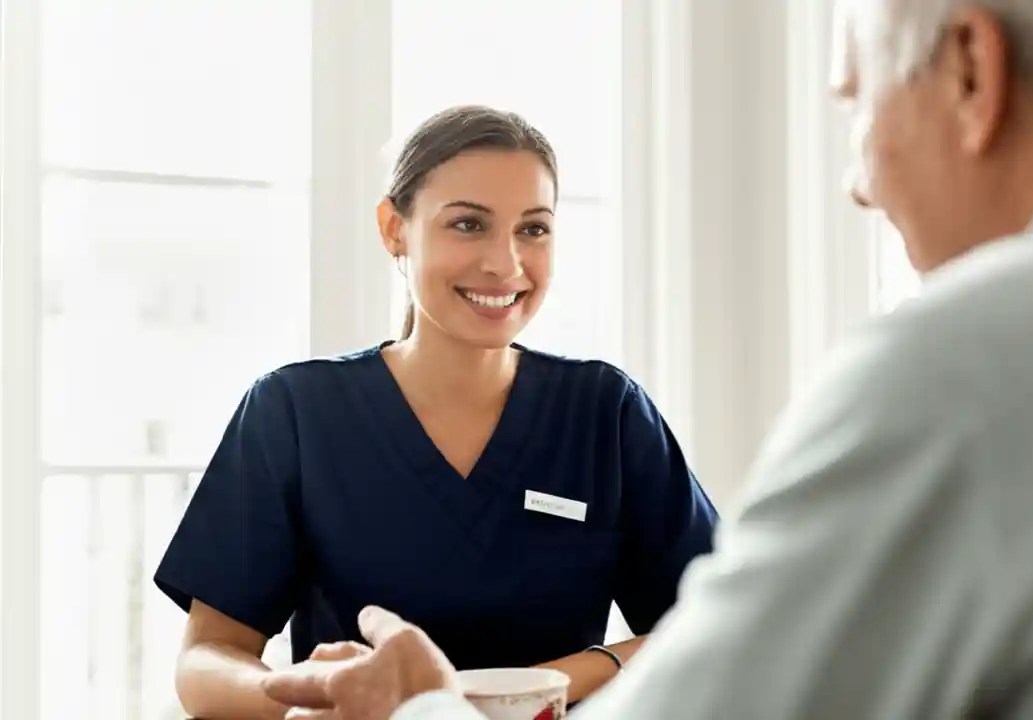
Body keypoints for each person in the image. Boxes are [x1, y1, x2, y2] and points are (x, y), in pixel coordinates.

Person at [261, 0, 1033, 717]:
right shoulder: (300, 409)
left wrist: (432, 711)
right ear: (395, 231)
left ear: (971, 67)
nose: (858, 186)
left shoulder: (966, 367)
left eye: (855, 102)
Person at [153, 105, 719, 720]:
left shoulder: (605, 413)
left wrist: (537, 683)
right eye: (469, 225)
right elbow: (207, 659)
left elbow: (717, 621)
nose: (505, 263)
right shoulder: (295, 411)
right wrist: (300, 699)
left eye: (533, 229)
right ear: (395, 229)